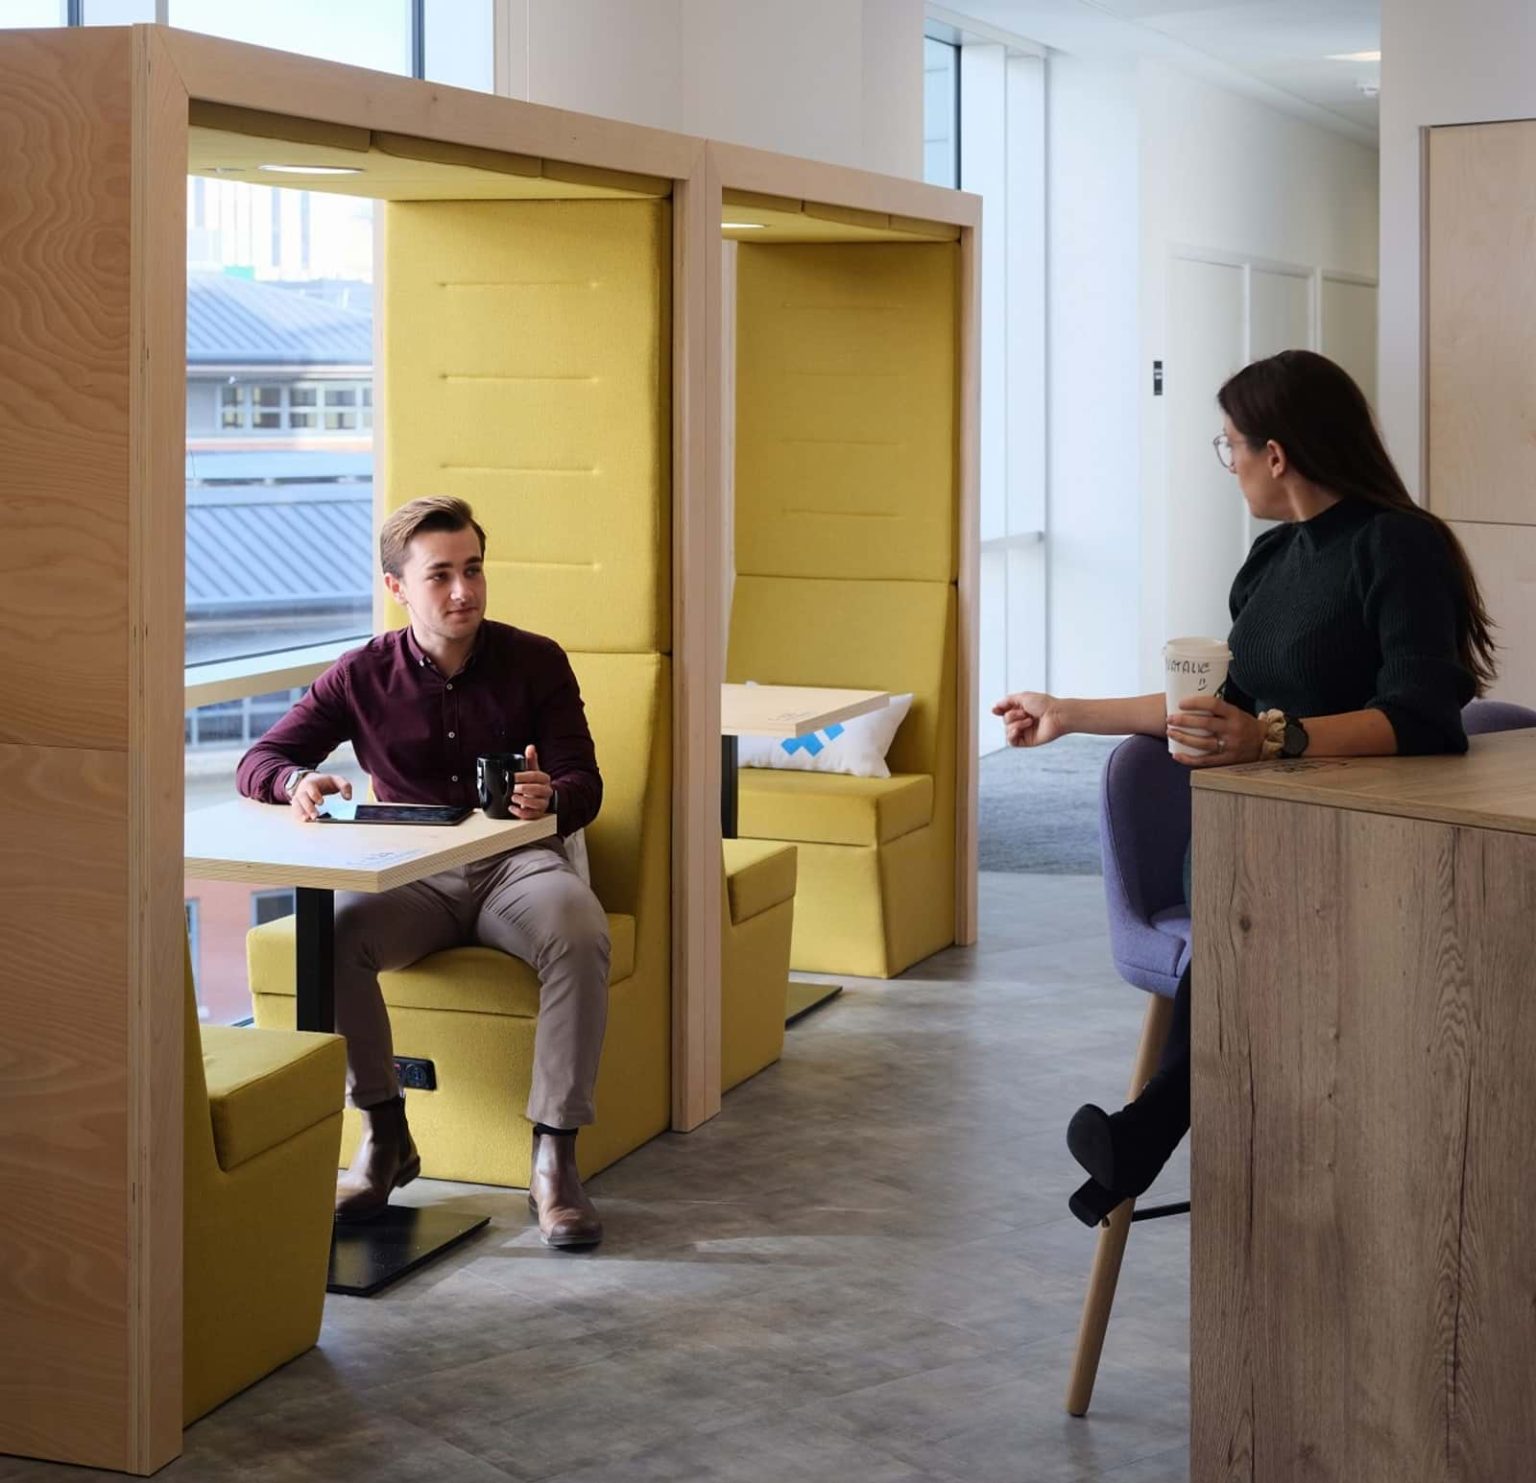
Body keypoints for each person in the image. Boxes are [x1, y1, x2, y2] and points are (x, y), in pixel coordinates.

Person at [992, 349, 1497, 1226]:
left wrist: (1272, 738)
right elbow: (1219, 705)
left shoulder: (1397, 545)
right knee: (1245, 905)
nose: (1227, 464)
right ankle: (1143, 1137)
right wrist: (1066, 712)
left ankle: (1143, 1135)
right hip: (1259, 839)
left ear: (1277, 452)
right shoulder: (1270, 560)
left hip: (1374, 841)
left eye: (1230, 444)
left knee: (1248, 920)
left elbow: (1423, 716)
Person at [237, 495, 611, 1248]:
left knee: (578, 929)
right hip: (413, 876)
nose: (463, 590)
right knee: (329, 934)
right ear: (397, 587)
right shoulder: (360, 674)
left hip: (515, 865)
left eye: (473, 569)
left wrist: (552, 796)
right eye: (440, 575)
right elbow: (261, 759)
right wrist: (295, 783)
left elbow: (586, 784)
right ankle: (384, 1133)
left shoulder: (536, 659)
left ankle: (555, 1157)